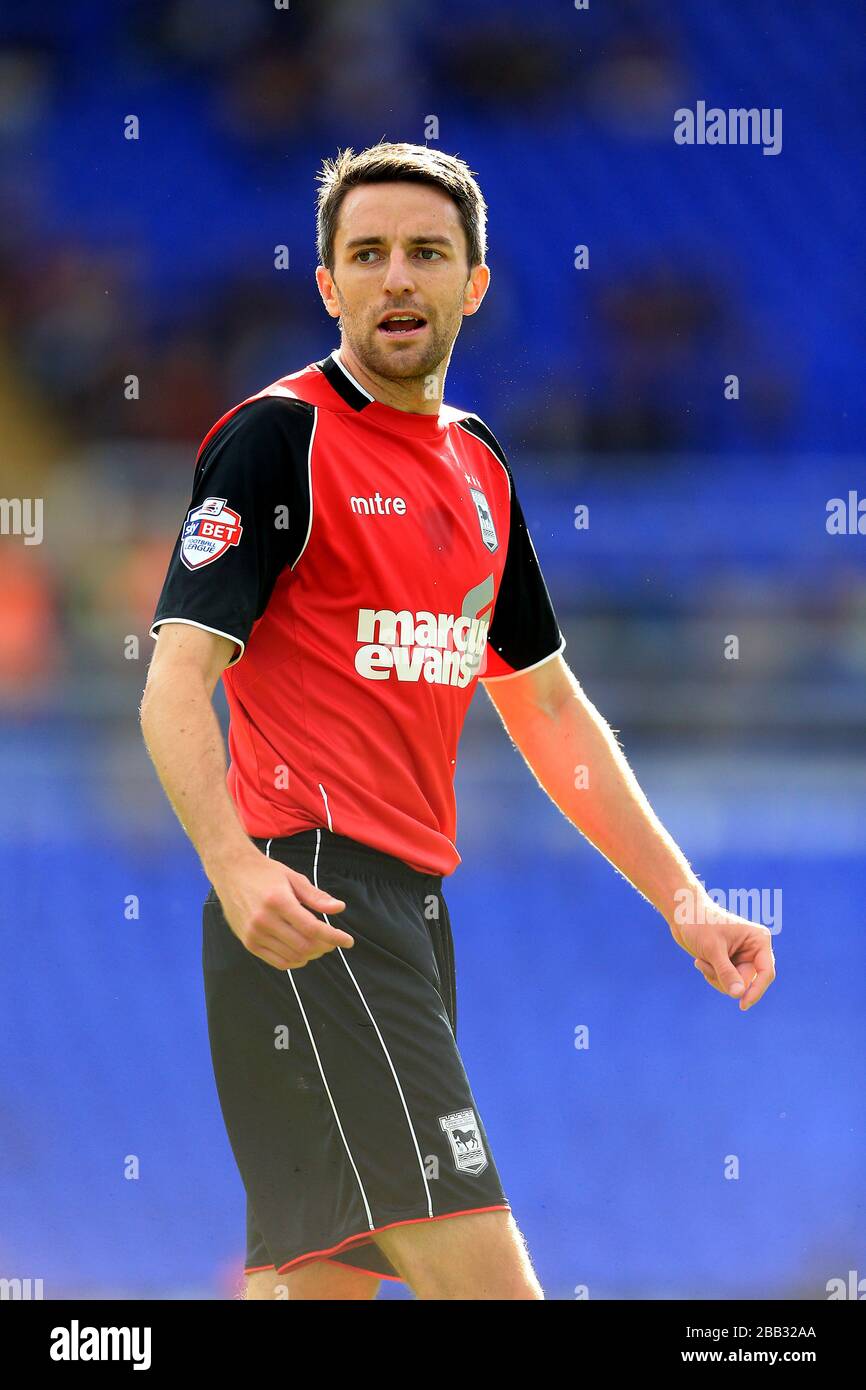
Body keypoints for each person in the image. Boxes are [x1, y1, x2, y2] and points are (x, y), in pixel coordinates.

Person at [140, 142, 776, 1302]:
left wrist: (684, 900)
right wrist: (234, 868)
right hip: (312, 906)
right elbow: (173, 679)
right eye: (366, 255)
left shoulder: (477, 464)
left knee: (311, 1288)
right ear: (325, 283)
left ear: (472, 282)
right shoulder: (275, 442)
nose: (396, 278)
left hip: (407, 918)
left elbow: (542, 703)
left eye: (425, 254)